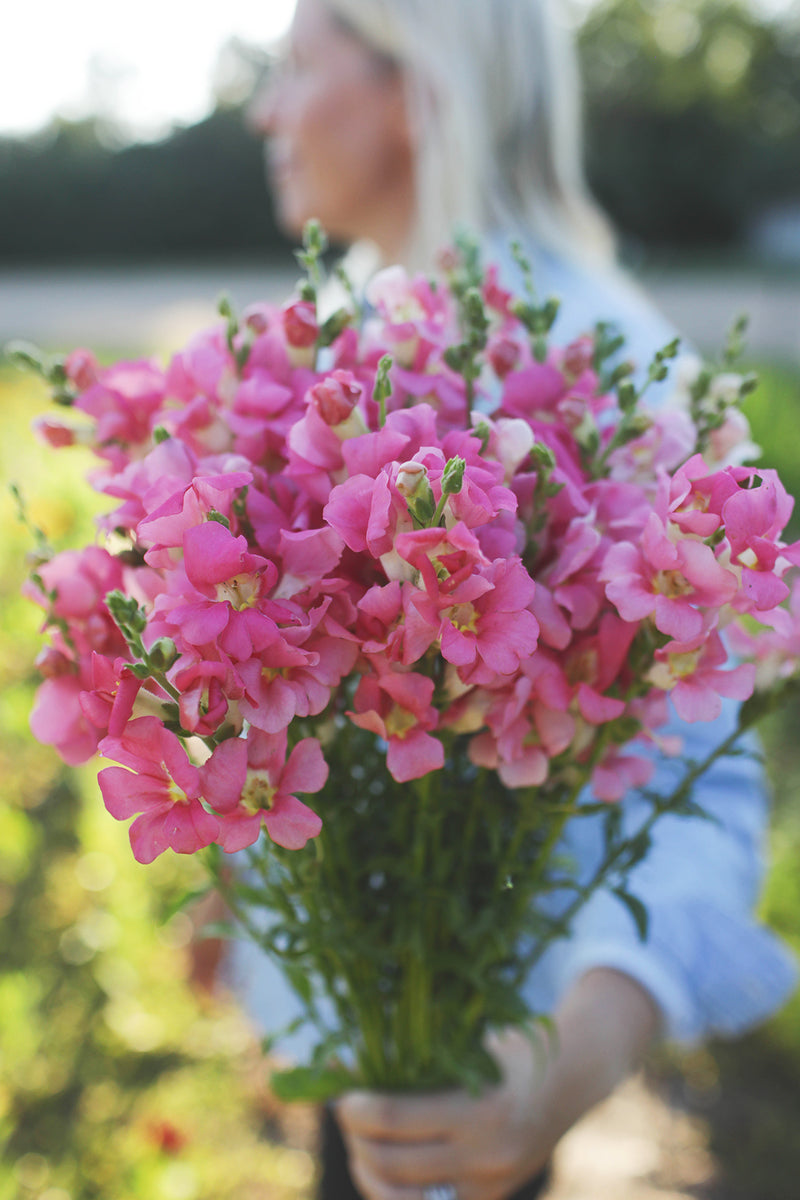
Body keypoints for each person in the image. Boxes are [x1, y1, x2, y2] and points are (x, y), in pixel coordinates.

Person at [232, 2, 798, 1198]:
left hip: (478, 1095)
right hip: (386, 1059)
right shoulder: (371, 333)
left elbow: (710, 786)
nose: (262, 110)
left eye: (291, 66)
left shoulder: (589, 357)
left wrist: (558, 1073)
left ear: (413, 85)